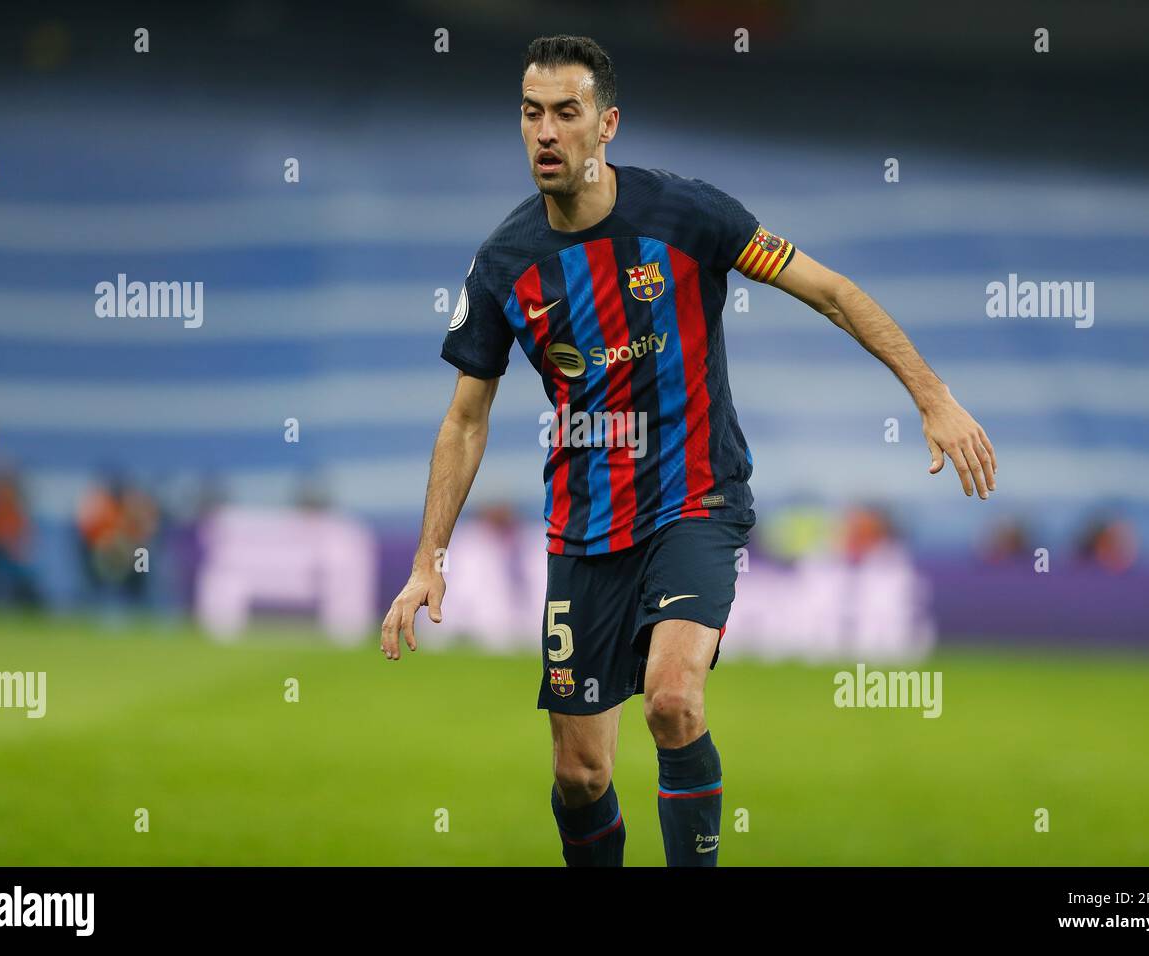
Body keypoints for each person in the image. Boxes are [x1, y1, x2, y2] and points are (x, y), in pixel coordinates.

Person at [382, 35, 997, 866]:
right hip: (584, 530)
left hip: (696, 501)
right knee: (581, 775)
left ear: (607, 125)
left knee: (672, 701)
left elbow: (831, 291)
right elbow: (464, 420)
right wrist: (430, 557)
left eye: (567, 113)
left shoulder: (688, 214)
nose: (547, 133)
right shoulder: (504, 264)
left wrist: (932, 397)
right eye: (532, 114)